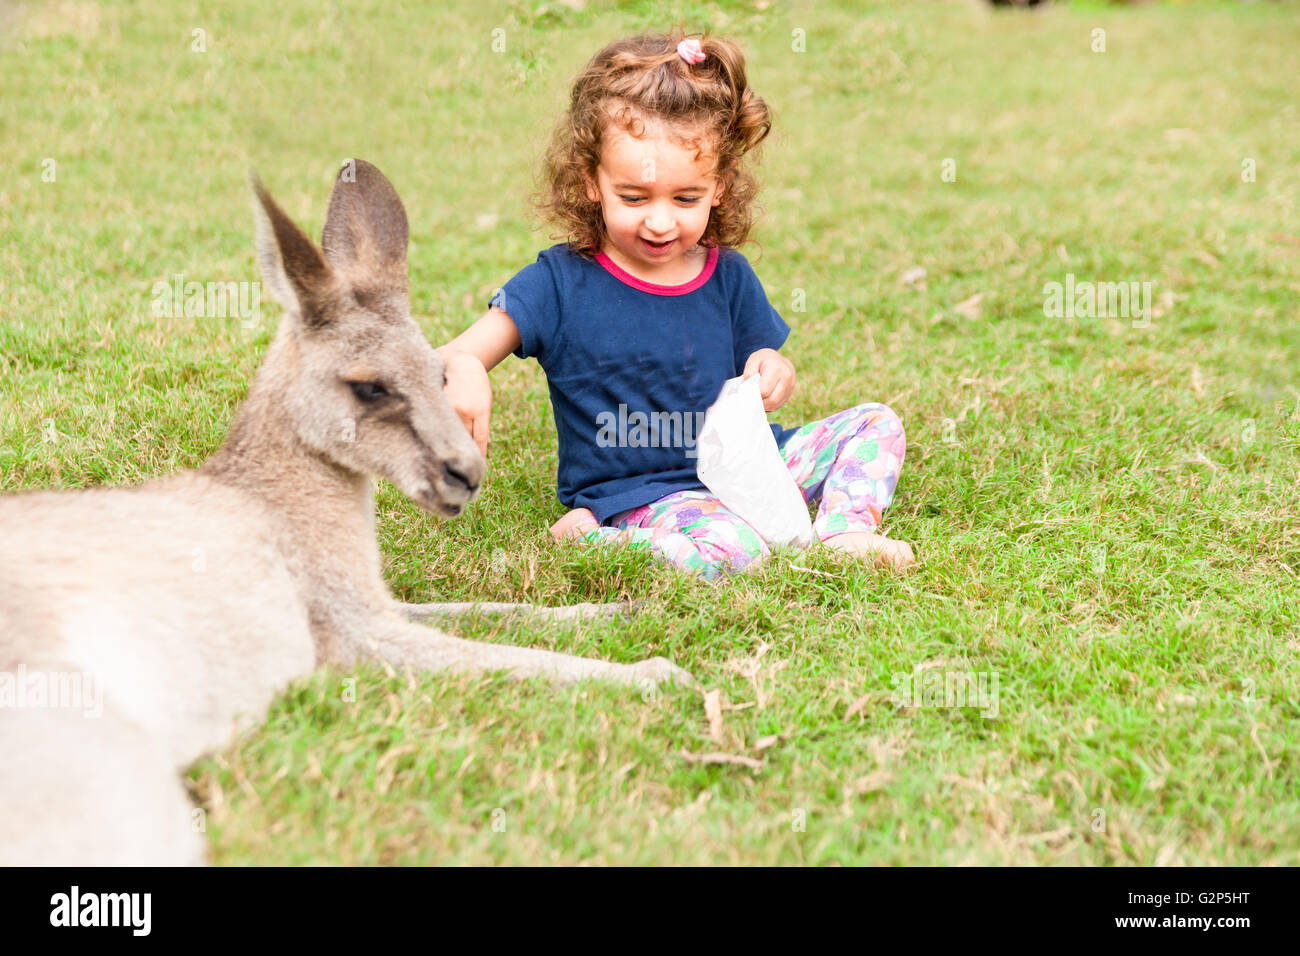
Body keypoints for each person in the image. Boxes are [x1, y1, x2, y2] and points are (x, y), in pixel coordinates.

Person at [439, 31, 914, 581]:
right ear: (591, 181)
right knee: (740, 549)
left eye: (686, 198)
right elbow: (449, 356)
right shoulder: (558, 284)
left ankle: (844, 531)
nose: (660, 221)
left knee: (875, 424)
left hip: (744, 462)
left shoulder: (726, 273)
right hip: (646, 488)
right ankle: (591, 540)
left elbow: (758, 358)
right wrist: (468, 368)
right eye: (634, 197)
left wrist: (771, 367)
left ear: (719, 186)